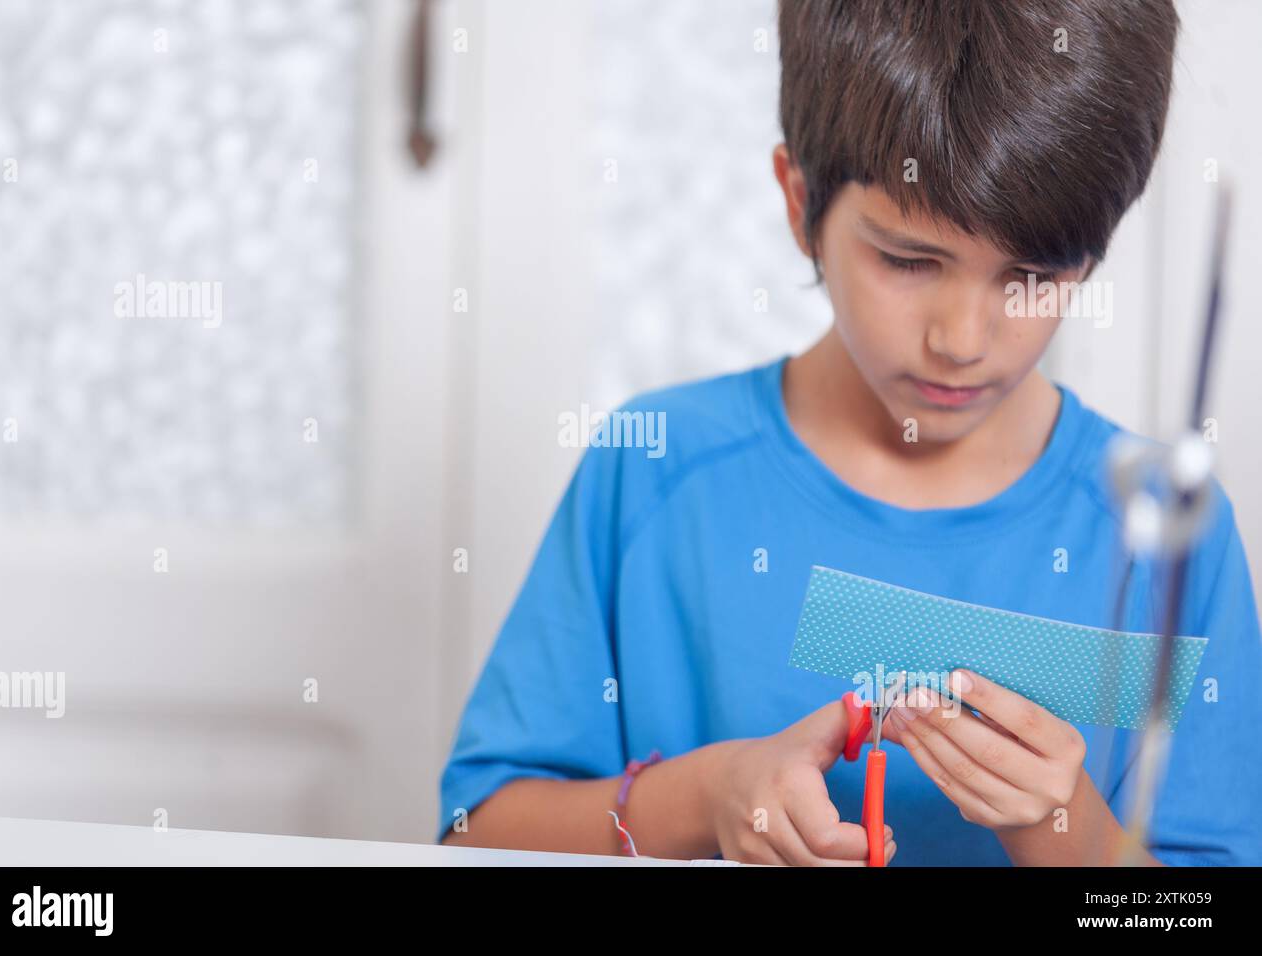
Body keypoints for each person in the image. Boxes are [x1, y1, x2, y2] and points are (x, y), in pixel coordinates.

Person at [439, 0, 1261, 865]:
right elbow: (474, 831)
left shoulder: (1170, 535)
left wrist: (1065, 830)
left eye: (1032, 274)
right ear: (801, 206)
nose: (962, 340)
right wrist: (706, 796)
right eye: (909, 260)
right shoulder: (654, 467)